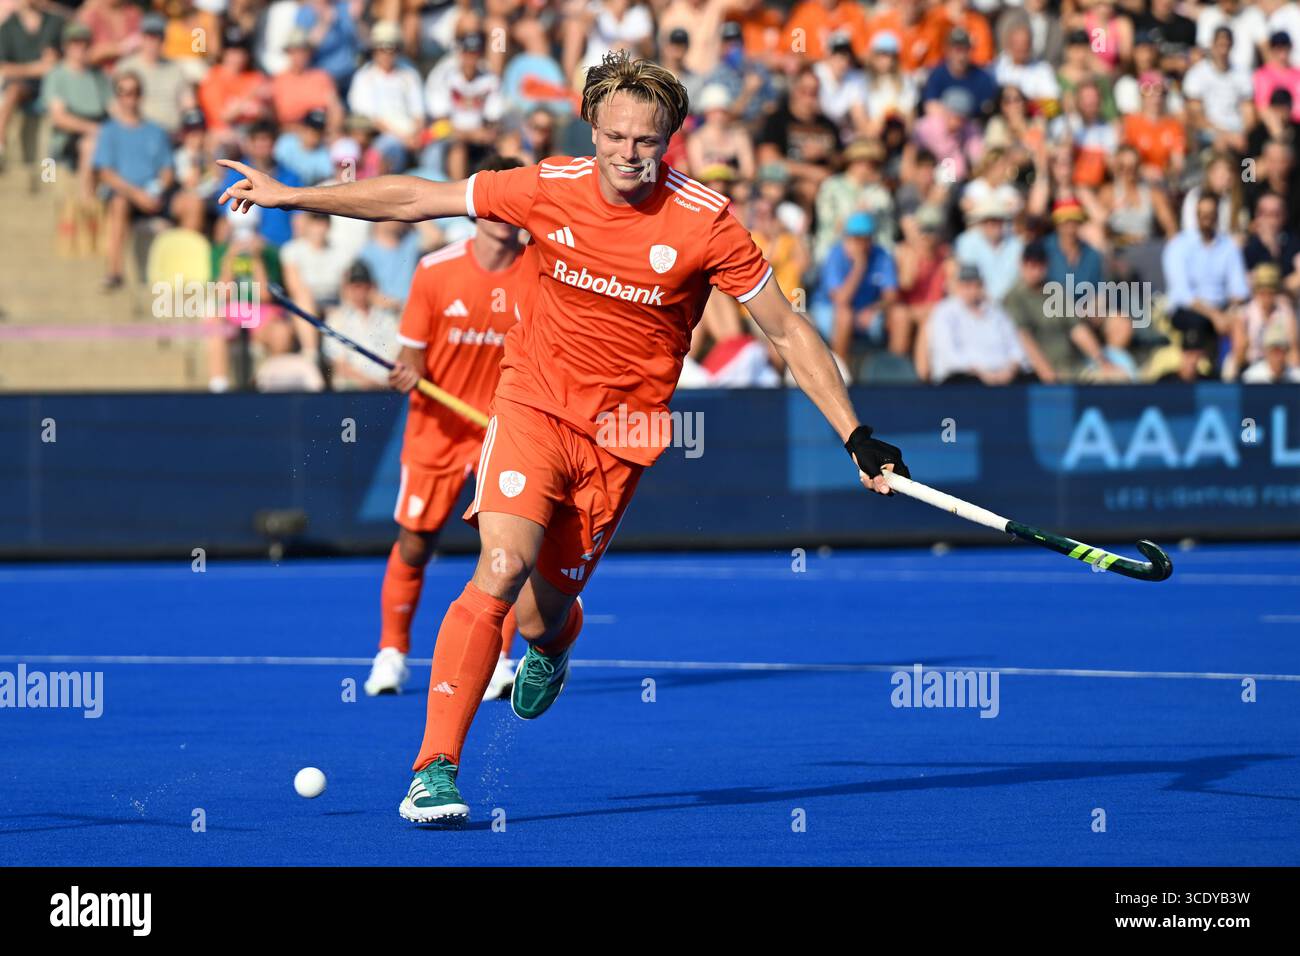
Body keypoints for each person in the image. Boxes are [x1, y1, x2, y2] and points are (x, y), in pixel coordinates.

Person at [218, 50, 910, 826]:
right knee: (500, 566)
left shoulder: (707, 223)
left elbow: (785, 330)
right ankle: (434, 771)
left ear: (670, 139)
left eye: (645, 141)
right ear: (592, 128)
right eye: (613, 136)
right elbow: (418, 197)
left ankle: (555, 642)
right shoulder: (549, 186)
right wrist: (291, 194)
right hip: (534, 408)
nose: (627, 154)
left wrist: (856, 434)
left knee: (543, 614)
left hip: (624, 436)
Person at [365, 157, 539, 700]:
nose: (501, 216)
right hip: (437, 431)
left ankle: (502, 661)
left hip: (504, 430)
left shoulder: (540, 268)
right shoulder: (436, 270)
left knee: (506, 549)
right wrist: (408, 371)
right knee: (415, 544)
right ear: (477, 207)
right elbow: (412, 357)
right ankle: (392, 653)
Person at [92, 72, 175, 290]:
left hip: (152, 195)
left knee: (191, 204)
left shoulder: (156, 131)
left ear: (141, 96)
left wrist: (155, 191)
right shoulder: (109, 131)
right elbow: (106, 173)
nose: (130, 98)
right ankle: (114, 271)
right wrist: (137, 194)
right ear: (118, 97)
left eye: (135, 92)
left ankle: (187, 272)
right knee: (119, 203)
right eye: (125, 92)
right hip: (124, 195)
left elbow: (167, 171)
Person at [923, 262, 1031, 384]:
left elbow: (1016, 347)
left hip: (1004, 375)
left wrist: (1010, 370)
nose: (972, 290)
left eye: (976, 285)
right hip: (963, 378)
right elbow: (949, 355)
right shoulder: (944, 312)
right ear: (958, 286)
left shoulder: (996, 311)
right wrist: (982, 373)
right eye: (967, 286)